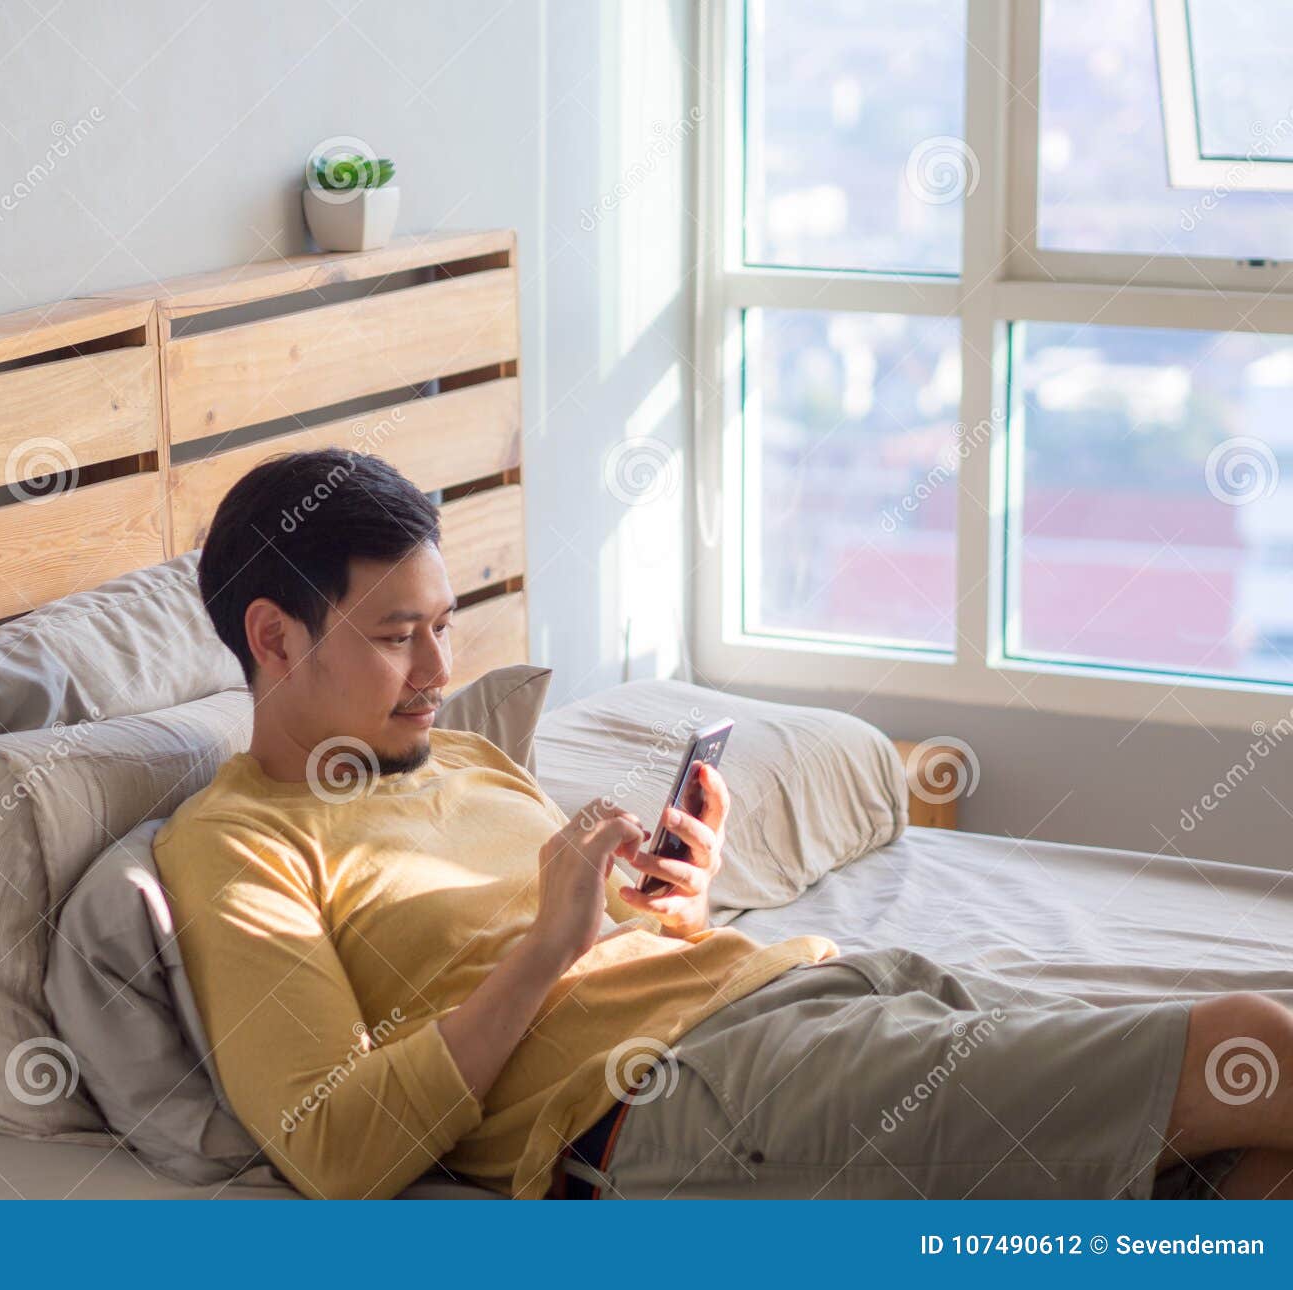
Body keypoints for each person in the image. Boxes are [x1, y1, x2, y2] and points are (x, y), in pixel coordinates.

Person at [154, 448, 1293, 1201]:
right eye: (399, 635)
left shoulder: (466, 757)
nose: (442, 670)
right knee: (1255, 1047)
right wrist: (553, 943)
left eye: (446, 624)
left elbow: (599, 956)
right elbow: (333, 1145)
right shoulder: (238, 848)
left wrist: (670, 909)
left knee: (1244, 1164)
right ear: (273, 637)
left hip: (810, 991)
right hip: (685, 1100)